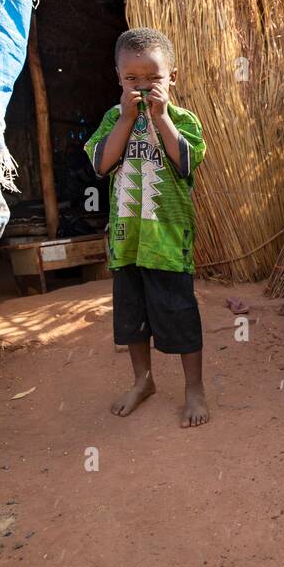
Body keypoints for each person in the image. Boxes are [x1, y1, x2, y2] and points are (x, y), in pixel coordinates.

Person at [85, 28, 209, 425]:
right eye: (132, 79)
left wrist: (160, 119)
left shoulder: (183, 120)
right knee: (132, 319)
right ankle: (144, 380)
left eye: (153, 78)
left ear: (172, 77)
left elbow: (187, 164)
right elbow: (102, 165)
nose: (142, 87)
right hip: (127, 241)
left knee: (180, 314)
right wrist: (125, 119)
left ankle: (194, 388)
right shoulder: (112, 118)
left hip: (169, 241)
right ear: (118, 79)